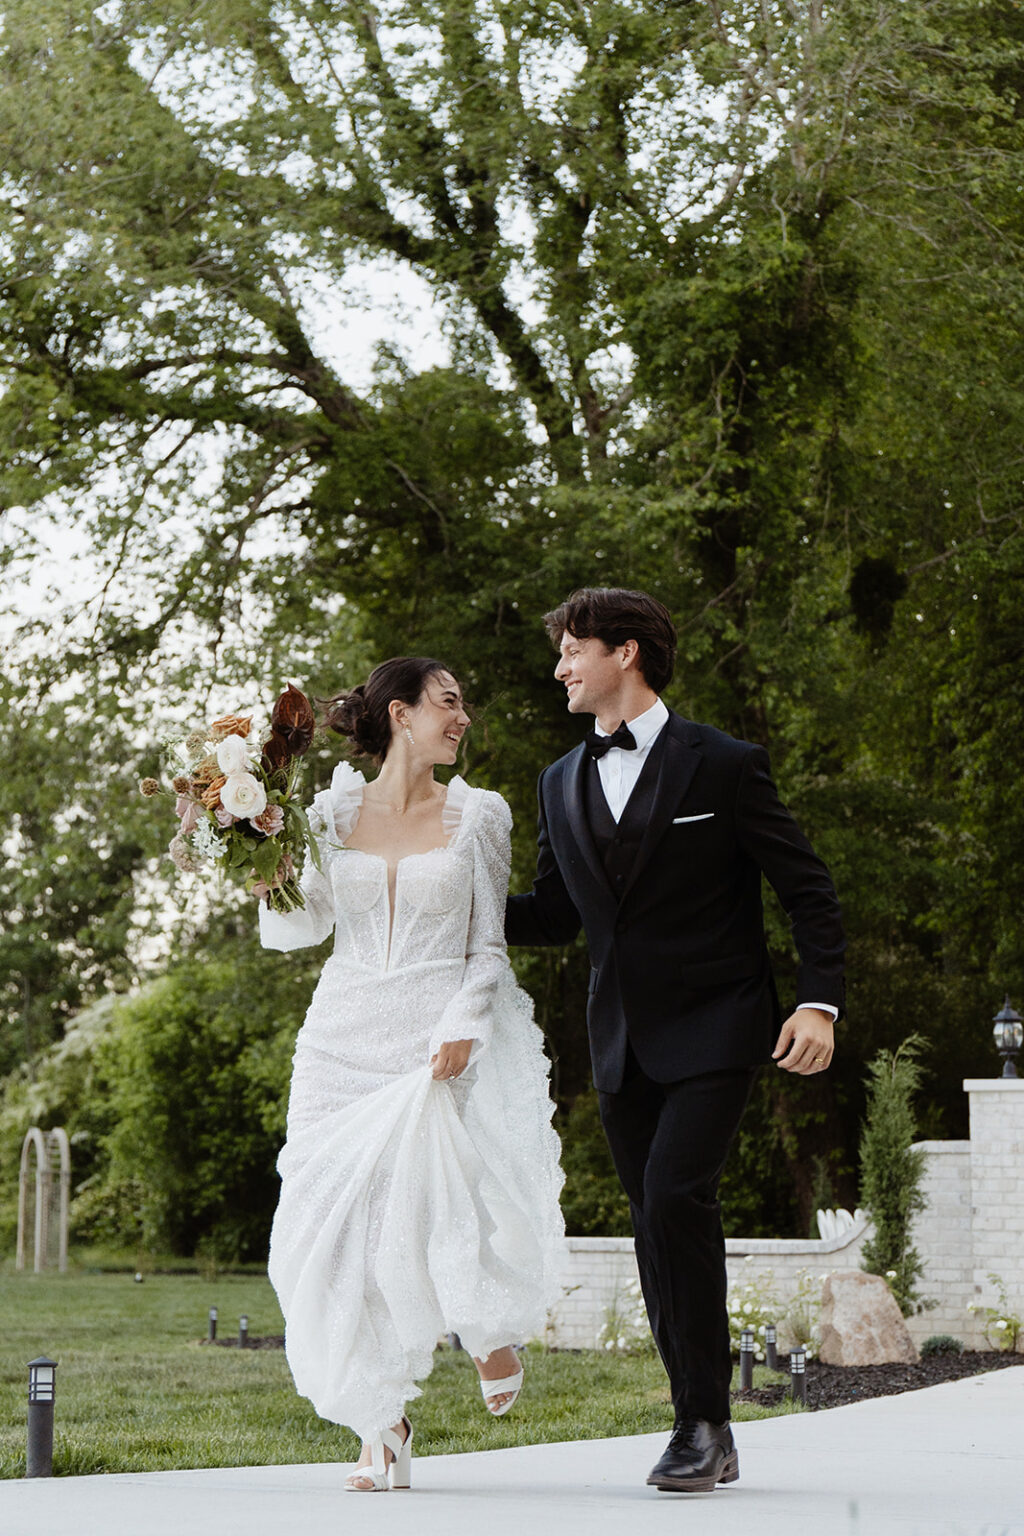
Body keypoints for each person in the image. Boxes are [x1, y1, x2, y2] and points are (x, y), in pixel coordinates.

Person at [505, 588, 845, 1493]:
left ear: (626, 652)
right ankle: (700, 1420)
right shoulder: (557, 781)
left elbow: (807, 890)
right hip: (620, 1042)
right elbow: (551, 914)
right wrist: (420, 900)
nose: (560, 669)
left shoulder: (726, 764)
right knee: (658, 1227)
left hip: (719, 1025)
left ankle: (703, 1422)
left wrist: (819, 1004)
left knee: (673, 1197)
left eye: (573, 651)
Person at [258, 657, 564, 1492]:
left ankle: (482, 1323)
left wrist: (466, 1025)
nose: (463, 718)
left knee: (417, 1209)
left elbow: (488, 945)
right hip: (340, 1035)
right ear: (401, 713)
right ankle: (379, 1421)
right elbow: (303, 925)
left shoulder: (480, 816)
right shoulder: (325, 811)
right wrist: (269, 877)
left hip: (433, 1031)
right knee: (327, 1232)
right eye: (450, 702)